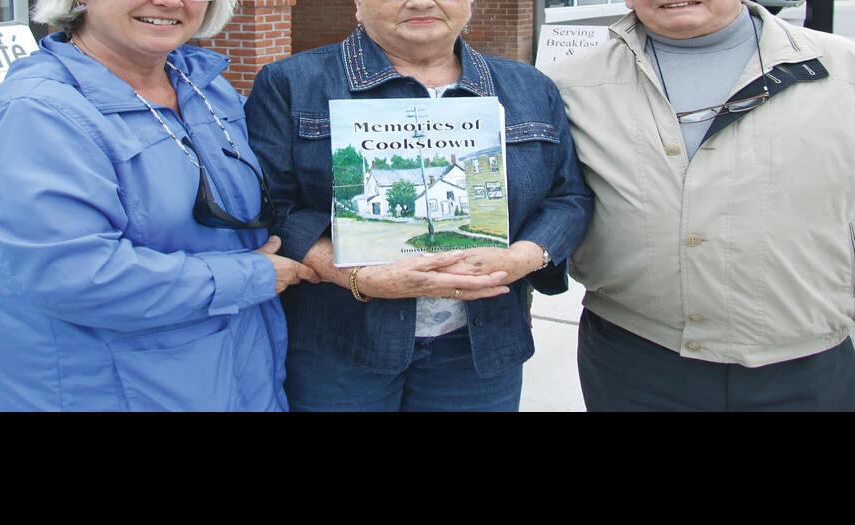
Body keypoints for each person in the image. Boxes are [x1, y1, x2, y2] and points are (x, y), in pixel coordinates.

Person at [0, 0, 318, 411]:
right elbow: (75, 276)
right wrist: (250, 276)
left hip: (237, 376)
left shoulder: (203, 86)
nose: (170, 2)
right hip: (114, 391)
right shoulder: (36, 114)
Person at [244, 0, 593, 412]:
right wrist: (354, 275)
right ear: (358, 5)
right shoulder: (291, 83)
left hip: (478, 348)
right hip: (340, 345)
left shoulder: (529, 87)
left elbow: (568, 198)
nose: (422, 2)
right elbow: (272, 206)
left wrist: (523, 257)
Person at [545, 0, 855, 411]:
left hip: (805, 365)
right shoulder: (568, 85)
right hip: (634, 362)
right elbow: (551, 198)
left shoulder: (842, 71)